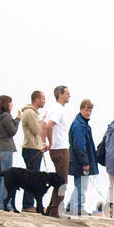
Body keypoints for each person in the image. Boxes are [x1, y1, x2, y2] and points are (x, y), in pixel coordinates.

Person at [43, 85, 72, 217]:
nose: (69, 95)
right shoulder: (58, 110)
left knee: (58, 180)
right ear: (60, 94)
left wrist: (45, 142)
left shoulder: (52, 108)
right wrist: (51, 142)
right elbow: (48, 125)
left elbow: (43, 125)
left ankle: (51, 208)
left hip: (56, 148)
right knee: (62, 181)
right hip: (60, 148)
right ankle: (56, 210)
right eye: (67, 93)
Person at [65, 100, 98, 217]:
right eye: (86, 110)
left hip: (77, 160)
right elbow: (79, 145)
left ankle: (70, 206)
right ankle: (79, 208)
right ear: (81, 109)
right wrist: (85, 161)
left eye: (90, 110)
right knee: (82, 186)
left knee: (79, 185)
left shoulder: (82, 123)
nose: (88, 113)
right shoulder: (79, 125)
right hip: (80, 161)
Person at [0, 95, 19, 210]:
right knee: (6, 178)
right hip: (6, 148)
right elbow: (12, 131)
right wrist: (17, 120)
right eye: (10, 103)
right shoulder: (6, 116)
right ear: (7, 104)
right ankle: (4, 205)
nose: (12, 105)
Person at [18, 91, 46, 174]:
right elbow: (36, 130)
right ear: (37, 99)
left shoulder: (32, 112)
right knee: (33, 178)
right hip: (32, 149)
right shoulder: (30, 112)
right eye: (43, 98)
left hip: (34, 148)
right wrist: (43, 121)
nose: (45, 101)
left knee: (33, 177)